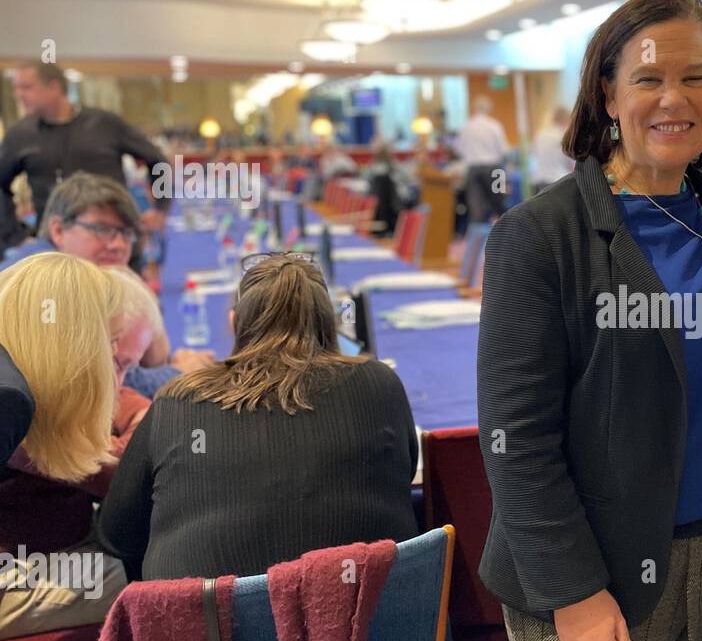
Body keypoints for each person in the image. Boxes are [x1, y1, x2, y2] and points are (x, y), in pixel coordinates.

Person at [476, 0, 702, 641]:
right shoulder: (540, 236)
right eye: (649, 78)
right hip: (592, 569)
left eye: (698, 78)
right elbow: (515, 439)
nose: (676, 98)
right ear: (607, 93)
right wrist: (573, 591)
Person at [97, 252, 420, 581]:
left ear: (235, 324)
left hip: (210, 628)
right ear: (330, 325)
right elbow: (404, 474)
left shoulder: (177, 402)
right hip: (376, 626)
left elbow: (117, 535)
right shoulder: (381, 384)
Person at [0, 253, 132, 641]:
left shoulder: (20, 381)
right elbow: (109, 477)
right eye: (103, 334)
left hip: (33, 562)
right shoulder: (14, 409)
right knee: (152, 574)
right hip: (16, 575)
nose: (110, 350)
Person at [12, 172, 214, 394]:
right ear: (58, 230)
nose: (118, 244)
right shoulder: (46, 284)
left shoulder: (49, 265)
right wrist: (180, 372)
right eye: (102, 230)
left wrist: (168, 360)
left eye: (126, 233)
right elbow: (101, 382)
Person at [0, 62, 169, 249]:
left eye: (26, 87)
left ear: (54, 87)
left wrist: (161, 208)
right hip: (55, 247)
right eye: (15, 88)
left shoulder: (104, 123)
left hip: (113, 242)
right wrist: (15, 235)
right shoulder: (20, 135)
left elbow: (158, 161)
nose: (18, 95)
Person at [454, 96, 510, 296]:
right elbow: (504, 150)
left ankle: (472, 260)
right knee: (501, 208)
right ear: (488, 108)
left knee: (476, 213)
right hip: (494, 168)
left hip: (473, 170)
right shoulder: (494, 125)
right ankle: (507, 245)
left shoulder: (466, 127)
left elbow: (458, 149)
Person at [530, 106, 575, 195]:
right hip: (558, 181)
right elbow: (573, 164)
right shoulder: (564, 136)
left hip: (540, 182)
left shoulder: (540, 134)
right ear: (566, 120)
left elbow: (534, 156)